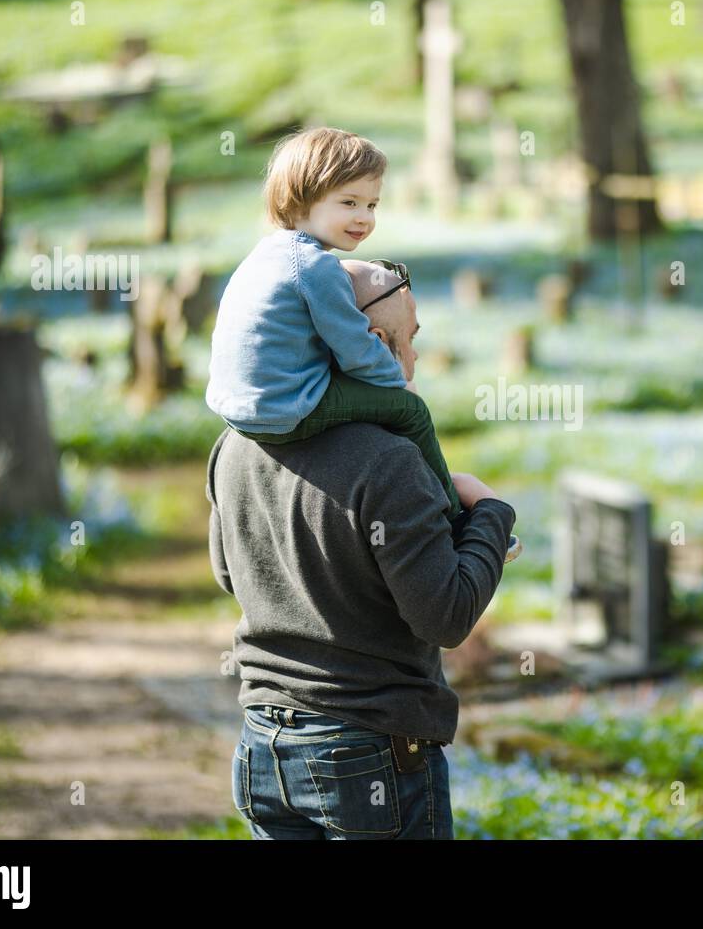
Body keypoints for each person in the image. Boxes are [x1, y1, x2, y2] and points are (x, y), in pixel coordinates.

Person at [207, 260, 517, 839]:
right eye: (413, 337)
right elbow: (445, 615)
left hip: (262, 745)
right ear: (375, 342)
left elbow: (230, 573)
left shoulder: (234, 443)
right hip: (367, 751)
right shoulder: (390, 461)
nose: (418, 356)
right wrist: (491, 517)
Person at [205, 126, 467, 527]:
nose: (364, 218)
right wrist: (397, 383)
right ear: (301, 199)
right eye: (349, 202)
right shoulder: (316, 266)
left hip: (236, 405)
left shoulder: (266, 252)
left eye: (372, 205)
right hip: (284, 407)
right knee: (411, 412)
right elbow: (356, 348)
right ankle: (452, 514)